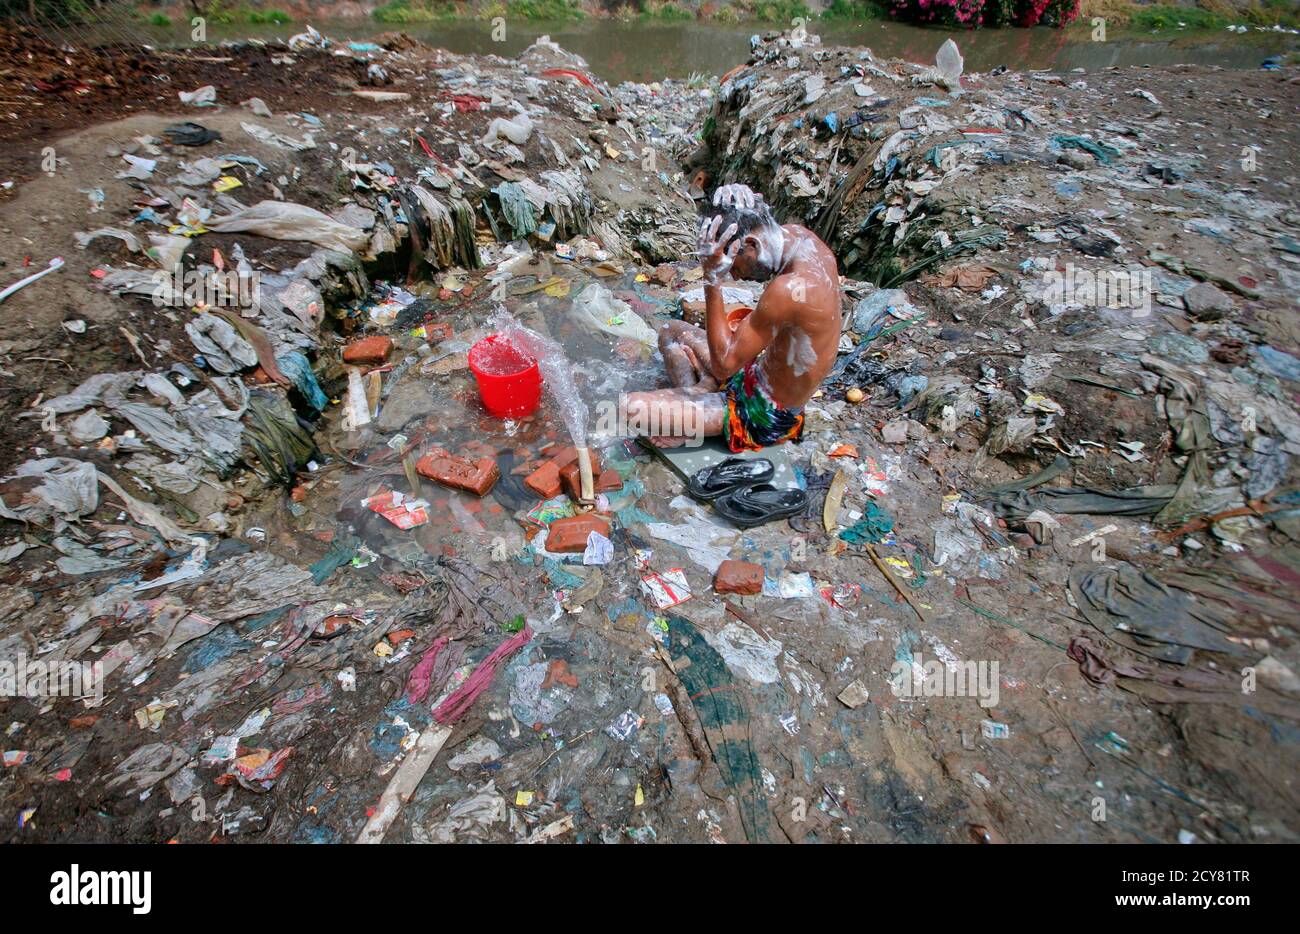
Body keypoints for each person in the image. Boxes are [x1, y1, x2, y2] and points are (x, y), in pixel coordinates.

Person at [622, 183, 842, 450]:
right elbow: (749, 218)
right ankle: (702, 392)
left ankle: (698, 411)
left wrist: (712, 278)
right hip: (750, 376)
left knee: (629, 408)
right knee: (669, 330)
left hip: (762, 414)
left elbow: (723, 365)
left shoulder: (788, 290)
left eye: (732, 265)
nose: (734, 276)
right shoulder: (799, 238)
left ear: (750, 245)